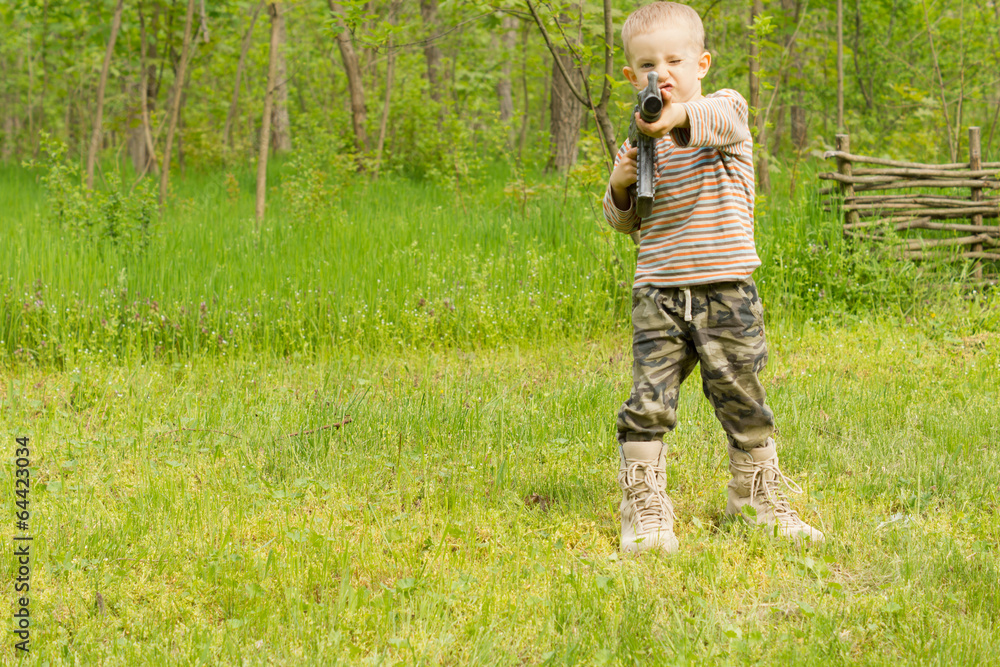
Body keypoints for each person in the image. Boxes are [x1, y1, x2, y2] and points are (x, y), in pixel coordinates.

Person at [604, 1, 824, 554]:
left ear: (701, 64)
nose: (663, 75)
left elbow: (725, 122)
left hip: (726, 287)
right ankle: (644, 506)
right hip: (658, 291)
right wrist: (620, 184)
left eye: (674, 61)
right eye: (648, 66)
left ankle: (754, 498)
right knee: (649, 400)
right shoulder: (638, 141)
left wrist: (674, 117)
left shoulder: (722, 110)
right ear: (632, 77)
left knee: (740, 393)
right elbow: (624, 222)